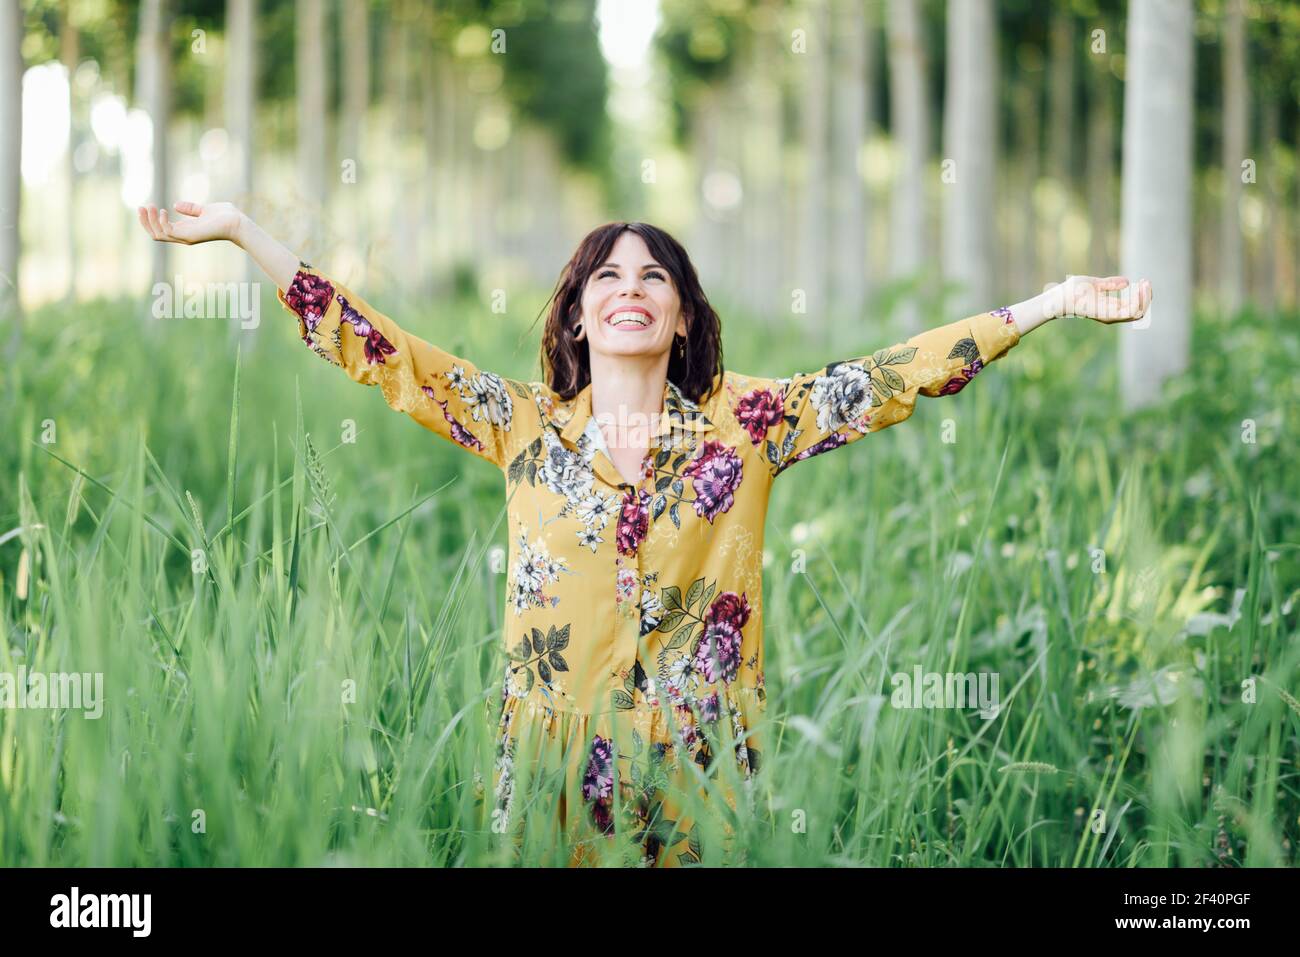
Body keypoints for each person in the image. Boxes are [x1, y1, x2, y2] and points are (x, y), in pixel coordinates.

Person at [137, 201, 1152, 866]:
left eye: (653, 277)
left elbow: (892, 375)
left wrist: (1050, 304)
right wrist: (239, 232)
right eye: (606, 277)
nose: (630, 287)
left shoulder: (750, 424)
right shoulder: (519, 424)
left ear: (682, 316)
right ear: (577, 316)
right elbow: (378, 350)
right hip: (547, 765)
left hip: (701, 760)